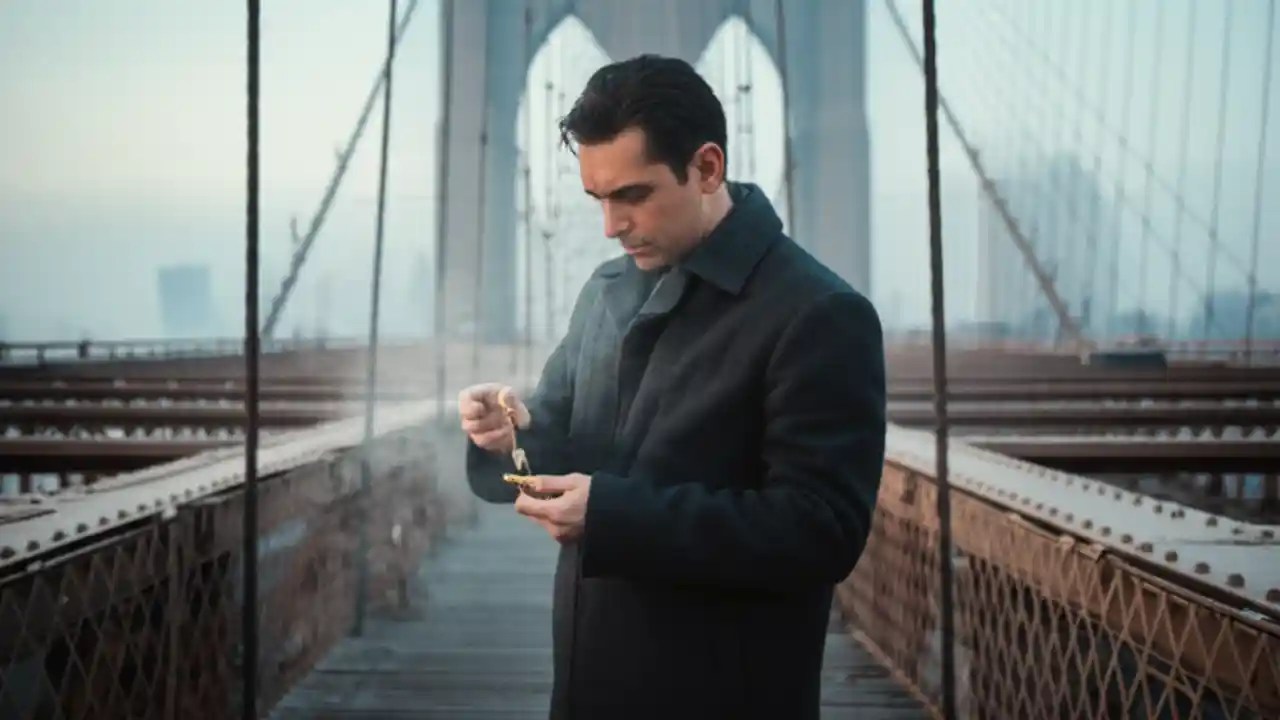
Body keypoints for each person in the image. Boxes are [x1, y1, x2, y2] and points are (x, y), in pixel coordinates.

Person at [458, 54, 886, 720]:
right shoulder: (603, 293)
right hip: (587, 688)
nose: (611, 225)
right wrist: (505, 435)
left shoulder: (819, 313)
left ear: (707, 167)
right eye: (598, 199)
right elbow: (561, 437)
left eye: (632, 195)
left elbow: (821, 530)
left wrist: (613, 516)